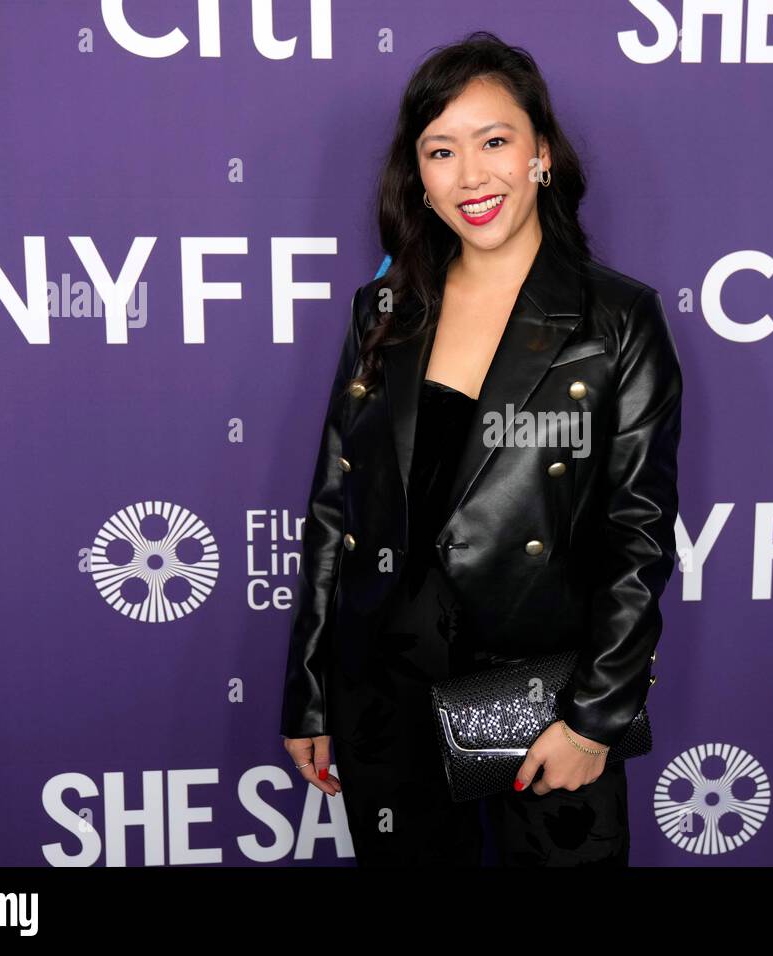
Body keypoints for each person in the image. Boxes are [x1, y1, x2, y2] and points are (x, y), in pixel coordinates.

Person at [279, 31, 683, 866]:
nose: (471, 176)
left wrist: (593, 717)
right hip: (385, 688)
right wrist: (312, 691)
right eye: (441, 151)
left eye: (494, 141)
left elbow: (637, 538)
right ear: (418, 180)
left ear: (540, 152)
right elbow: (334, 506)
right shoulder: (385, 308)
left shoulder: (616, 322)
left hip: (528, 695)